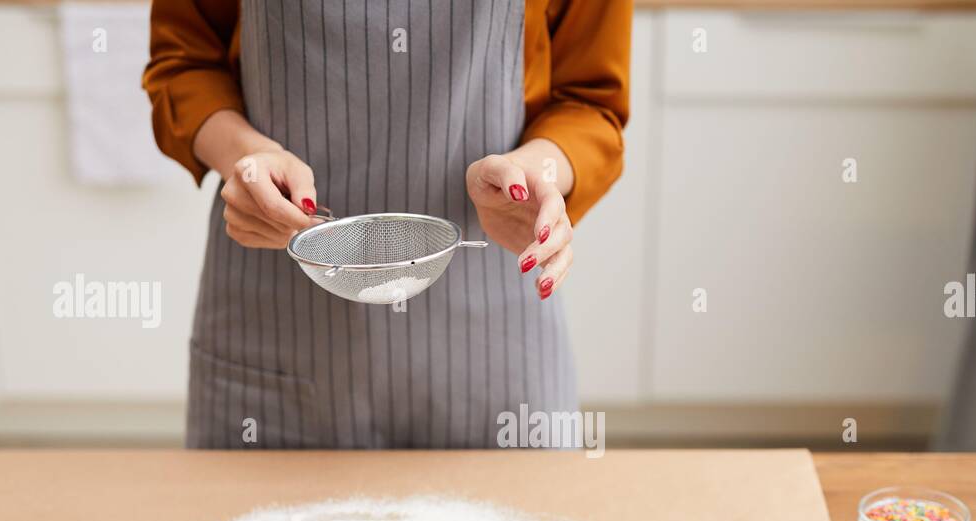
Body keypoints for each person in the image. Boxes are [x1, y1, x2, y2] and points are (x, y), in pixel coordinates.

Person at [143, 0, 631, 449]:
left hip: (497, 343)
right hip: (273, 339)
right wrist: (247, 158)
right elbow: (185, 63)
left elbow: (589, 98)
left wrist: (537, 172)